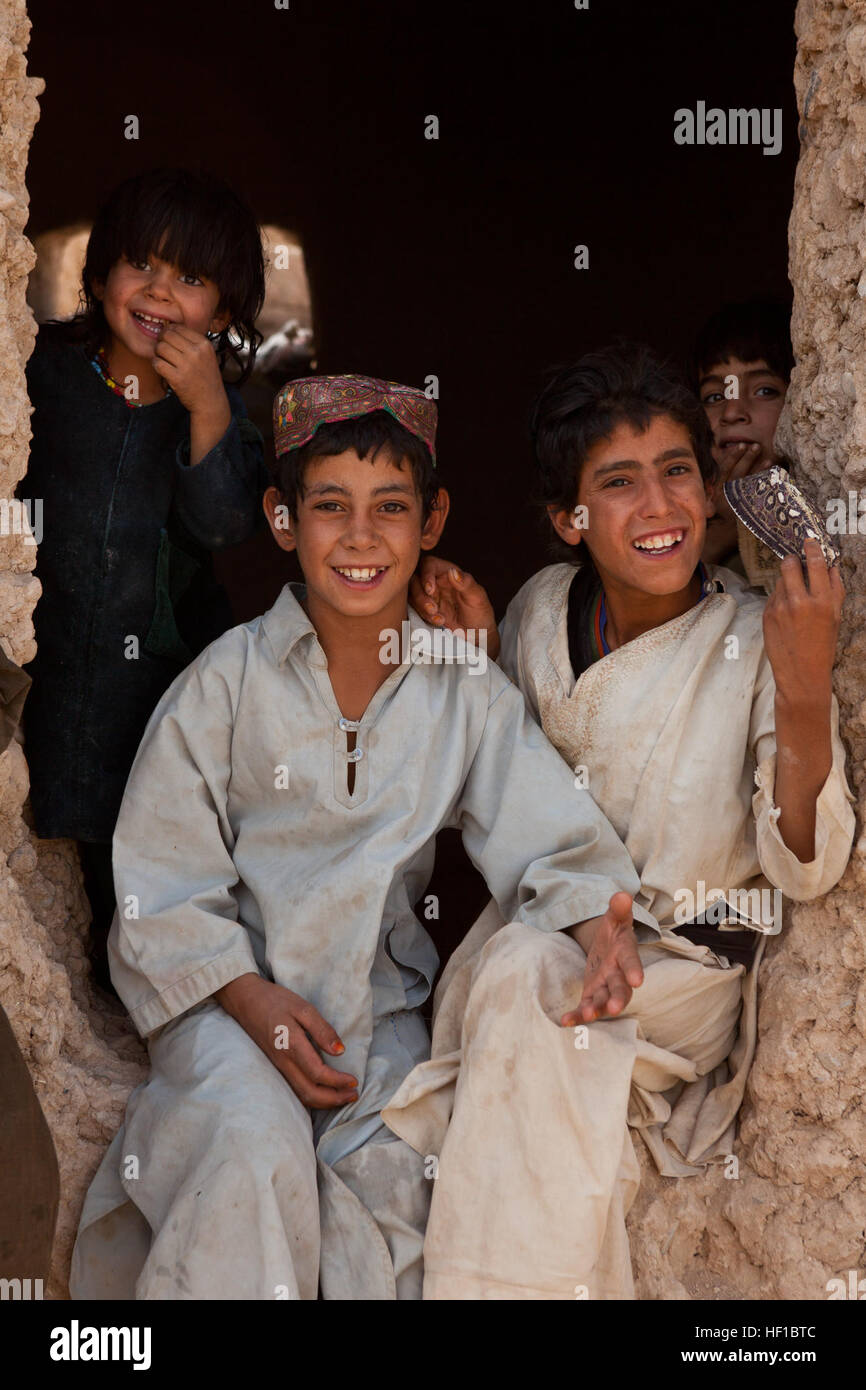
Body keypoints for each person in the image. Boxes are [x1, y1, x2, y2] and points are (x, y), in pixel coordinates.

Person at [70, 374, 657, 1301]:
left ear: (432, 523)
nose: (359, 536)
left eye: (391, 508)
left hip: (375, 1032)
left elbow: (548, 831)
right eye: (329, 506)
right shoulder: (222, 687)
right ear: (280, 519)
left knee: (396, 1205)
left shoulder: (459, 690)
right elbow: (159, 885)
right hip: (224, 1015)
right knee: (247, 1150)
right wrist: (248, 997)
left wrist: (596, 926)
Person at [387, 344, 855, 1299]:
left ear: (711, 492)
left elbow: (807, 865)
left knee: (523, 983)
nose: (660, 507)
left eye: (677, 472)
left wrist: (804, 679)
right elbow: (501, 787)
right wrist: (479, 665)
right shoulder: (539, 611)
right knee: (525, 972)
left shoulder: (752, 636)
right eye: (619, 483)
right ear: (570, 517)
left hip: (675, 984)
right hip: (548, 950)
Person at [21, 169, 268, 989]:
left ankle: (130, 1010)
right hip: (41, 663)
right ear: (97, 277)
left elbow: (227, 525)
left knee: (130, 867)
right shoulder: (39, 378)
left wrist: (205, 408)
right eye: (142, 267)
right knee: (32, 843)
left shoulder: (225, 410)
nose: (161, 294)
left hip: (152, 684)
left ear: (224, 314)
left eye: (192, 281)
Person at [691, 298, 793, 569]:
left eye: (764, 391)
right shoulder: (679, 508)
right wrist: (724, 525)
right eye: (714, 396)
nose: (731, 412)